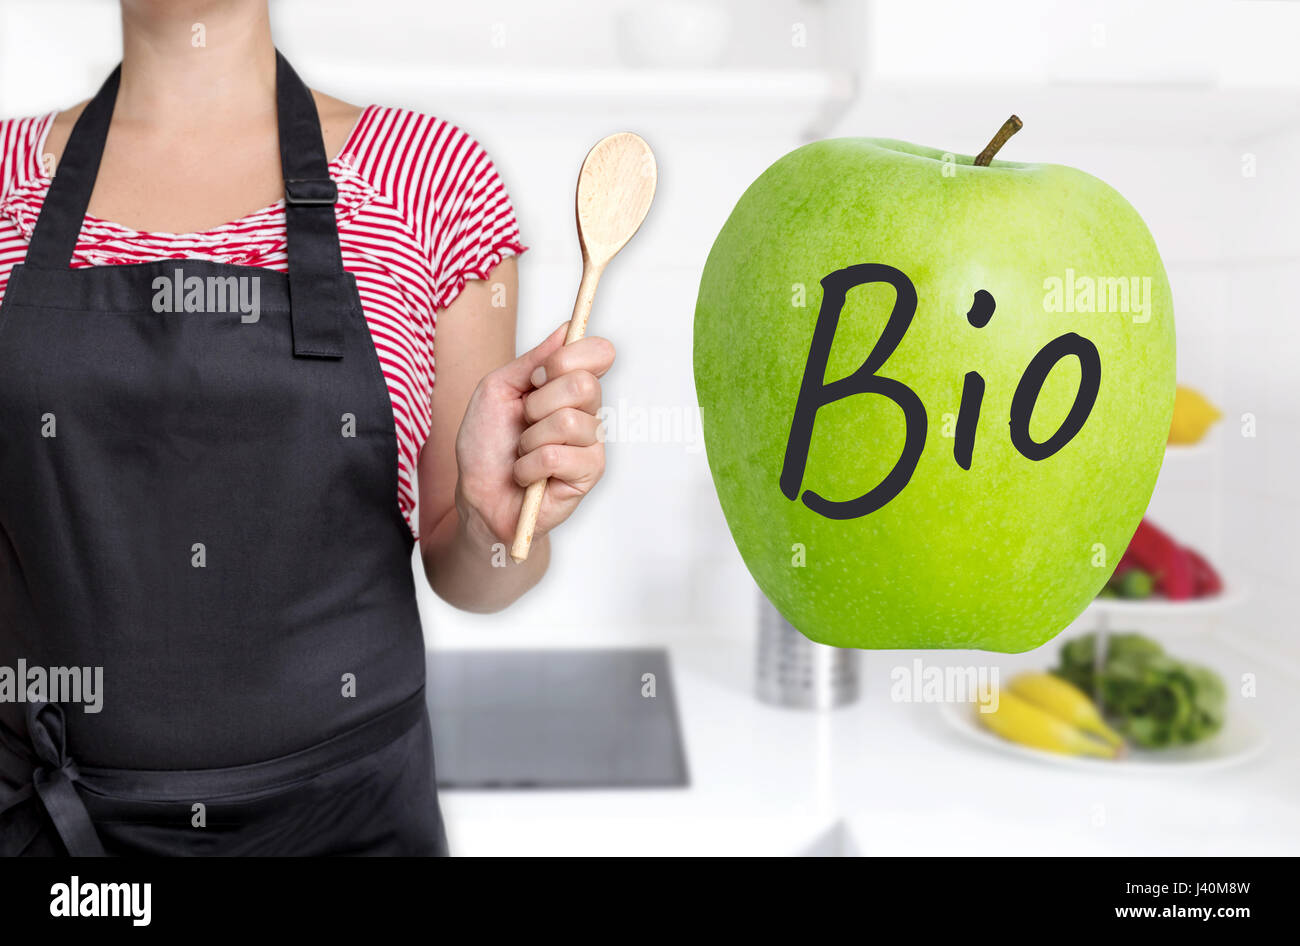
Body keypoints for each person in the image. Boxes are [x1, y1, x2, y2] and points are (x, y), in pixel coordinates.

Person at [0, 0, 614, 855]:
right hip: (58, 837)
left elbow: (475, 573)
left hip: (350, 826)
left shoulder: (431, 179)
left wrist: (494, 520)